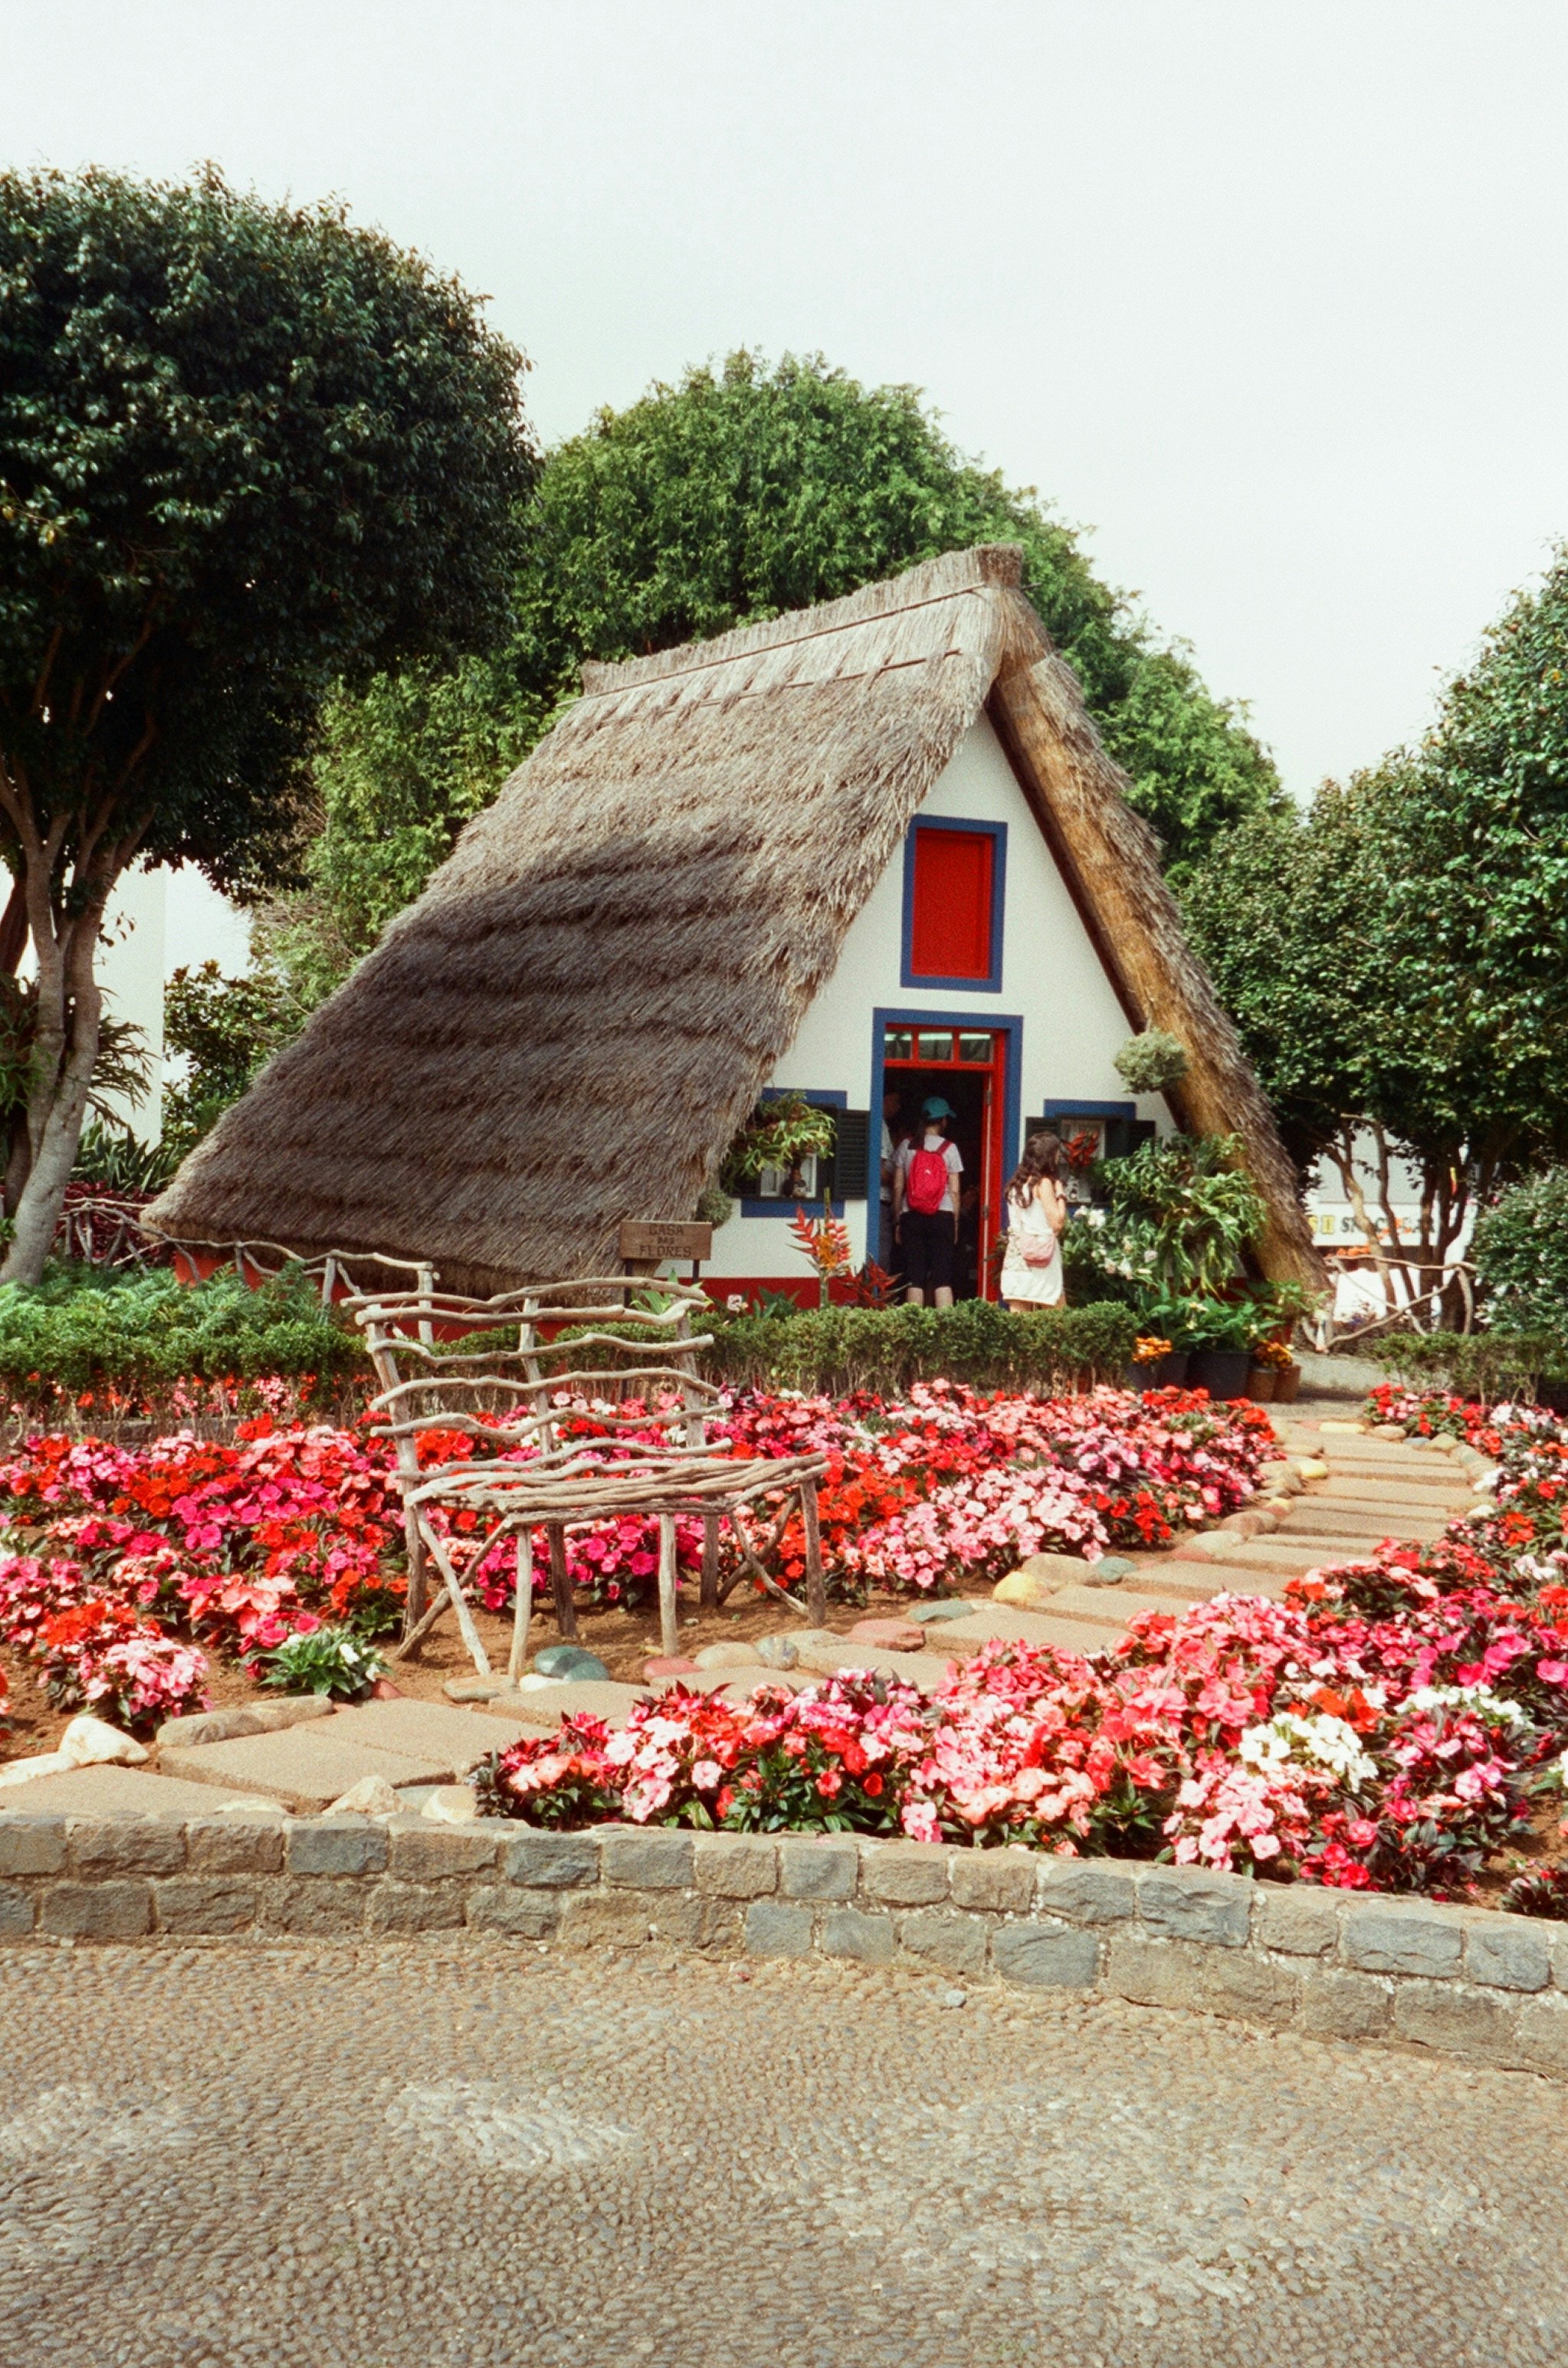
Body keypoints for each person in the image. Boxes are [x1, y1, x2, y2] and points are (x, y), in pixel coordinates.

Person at [894, 1097, 963, 1307]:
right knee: (943, 1278)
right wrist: (955, 1221)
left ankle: (915, 1330)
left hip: (911, 1214)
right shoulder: (950, 1149)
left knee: (915, 1277)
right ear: (942, 1120)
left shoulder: (907, 1145)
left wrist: (897, 1220)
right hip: (942, 1215)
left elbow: (898, 1187)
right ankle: (946, 1329)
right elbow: (955, 1191)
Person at [999, 1130, 1069, 1310]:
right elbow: (1057, 1223)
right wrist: (1060, 1194)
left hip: (1018, 1254)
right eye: (1056, 1152)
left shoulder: (1015, 1184)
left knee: (1019, 1319)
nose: (1059, 1155)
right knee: (1055, 1316)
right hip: (1043, 1254)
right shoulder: (1043, 1183)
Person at [878, 1087, 904, 1274]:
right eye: (896, 1101)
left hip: (885, 1202)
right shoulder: (880, 1126)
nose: (898, 1107)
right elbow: (879, 1172)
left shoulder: (884, 1126)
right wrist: (901, 1184)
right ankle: (878, 1301)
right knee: (882, 1257)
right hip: (881, 1201)